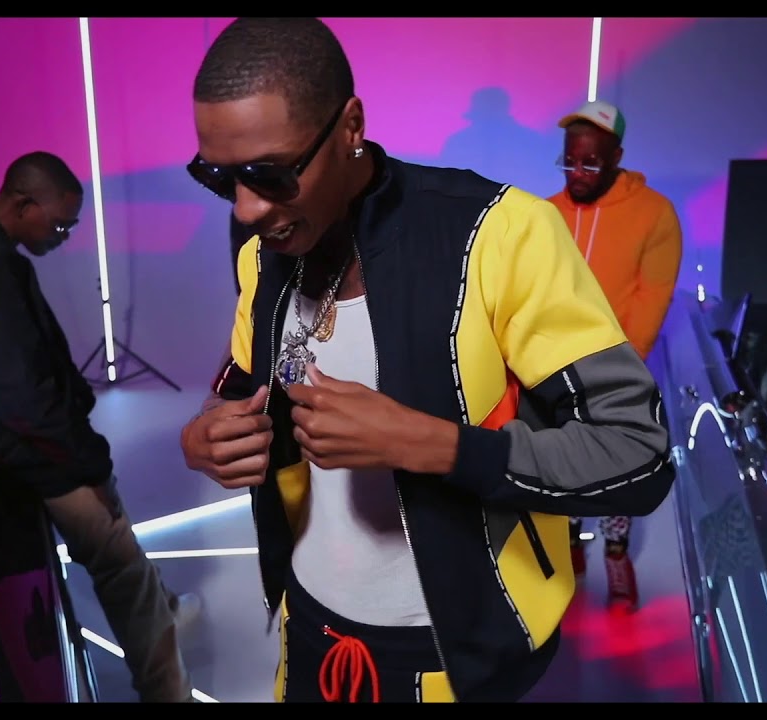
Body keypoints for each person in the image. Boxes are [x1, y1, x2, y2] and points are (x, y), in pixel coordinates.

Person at [179, 18, 675, 704]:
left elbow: (638, 453)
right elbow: (242, 384)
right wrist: (209, 431)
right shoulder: (262, 256)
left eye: (272, 174)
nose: (247, 207)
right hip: (308, 632)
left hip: (448, 659)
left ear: (350, 126)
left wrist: (433, 445)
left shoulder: (499, 235)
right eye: (219, 177)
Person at [0, 151, 199, 702]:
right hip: (24, 452)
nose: (64, 236)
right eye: (61, 224)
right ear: (24, 204)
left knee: (119, 544)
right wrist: (88, 460)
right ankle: (169, 693)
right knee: (120, 564)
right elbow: (23, 400)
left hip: (13, 442)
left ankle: (164, 609)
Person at [547, 100, 683, 612]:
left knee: (616, 471)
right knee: (560, 464)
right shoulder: (548, 213)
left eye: (591, 163)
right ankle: (569, 549)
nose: (577, 174)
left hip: (619, 372)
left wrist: (623, 368)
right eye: (569, 162)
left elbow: (653, 294)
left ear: (617, 157)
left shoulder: (654, 213)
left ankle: (616, 556)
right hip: (553, 371)